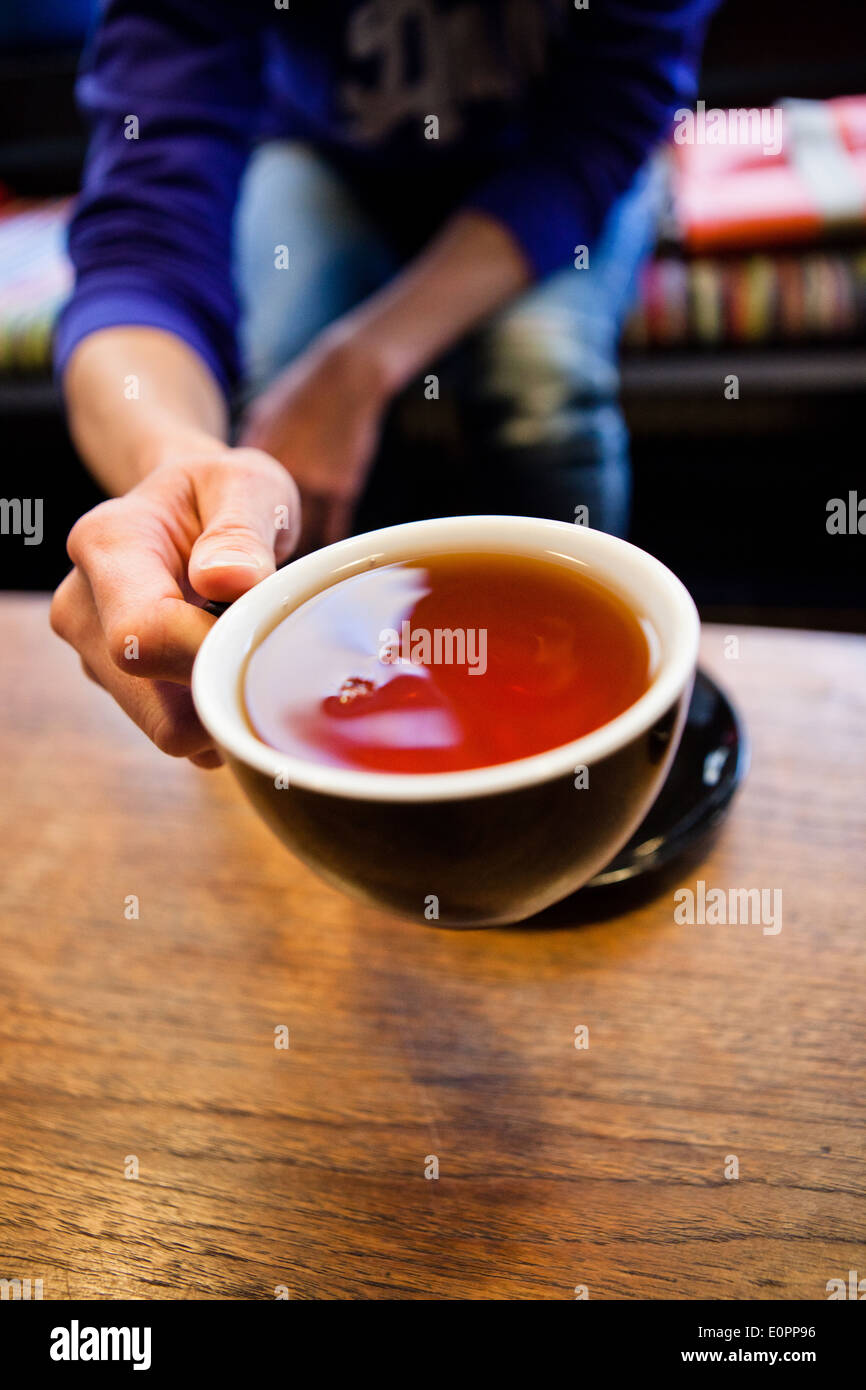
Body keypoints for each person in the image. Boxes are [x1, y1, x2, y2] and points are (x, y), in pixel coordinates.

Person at [51, 0, 715, 767]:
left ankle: (591, 732)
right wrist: (173, 460)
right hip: (325, 151)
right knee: (274, 369)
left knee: (540, 381)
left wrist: (360, 363)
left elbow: (600, 128)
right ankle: (323, 718)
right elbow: (143, 242)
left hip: (552, 158)